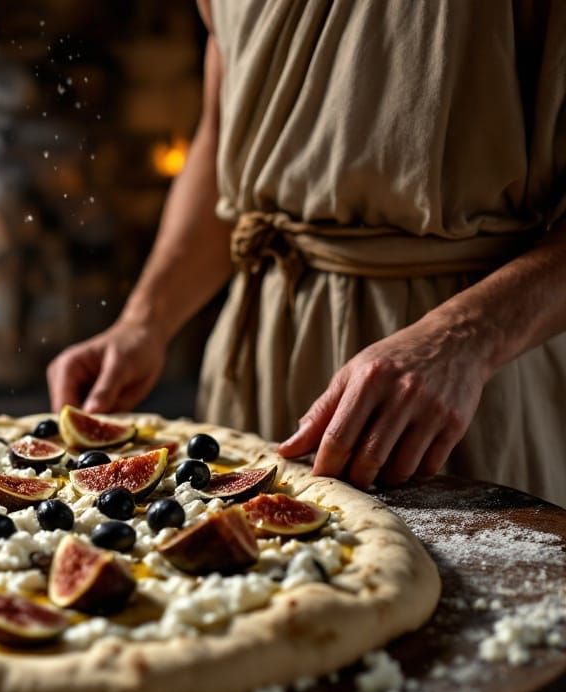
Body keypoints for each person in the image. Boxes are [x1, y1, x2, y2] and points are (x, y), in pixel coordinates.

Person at [47, 1, 566, 506]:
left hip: (466, 382)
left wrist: (464, 338)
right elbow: (227, 137)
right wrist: (146, 321)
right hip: (259, 355)